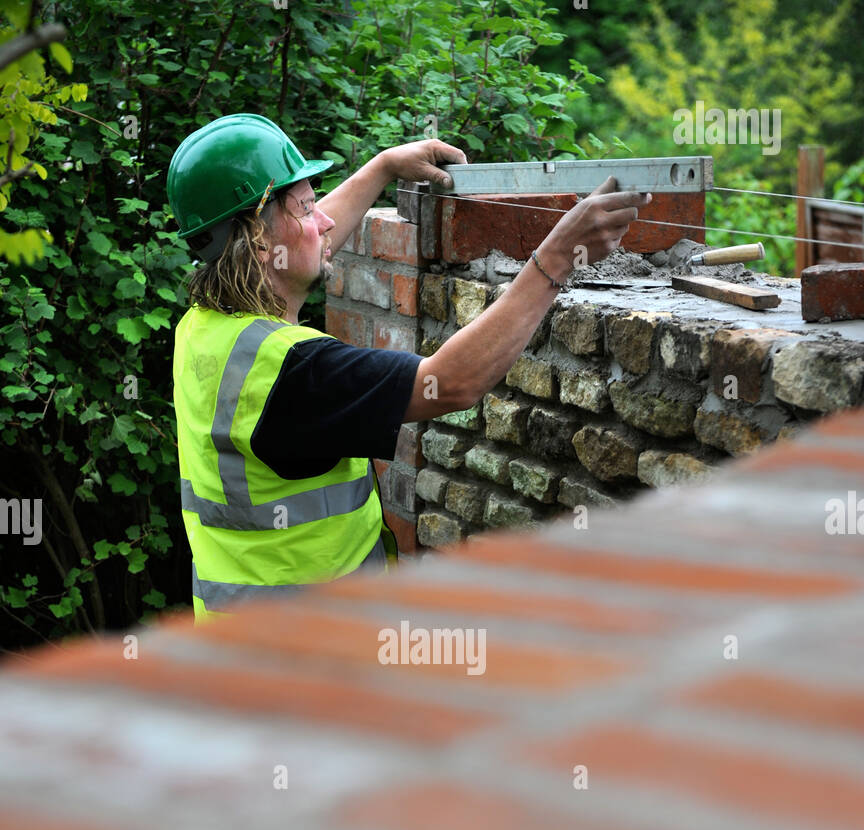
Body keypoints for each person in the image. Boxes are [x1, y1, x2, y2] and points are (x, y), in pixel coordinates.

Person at [167, 113, 650, 620]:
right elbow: (451, 382)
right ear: (260, 243)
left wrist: (382, 168)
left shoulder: (203, 329)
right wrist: (554, 260)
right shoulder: (293, 371)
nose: (326, 220)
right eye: (309, 207)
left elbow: (299, 239)